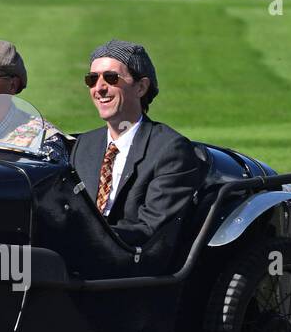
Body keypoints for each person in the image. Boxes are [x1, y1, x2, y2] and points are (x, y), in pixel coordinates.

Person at [73, 39, 208, 248]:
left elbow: (150, 230)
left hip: (132, 262)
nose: (99, 88)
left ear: (141, 87)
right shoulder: (84, 145)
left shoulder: (170, 150)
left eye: (111, 78)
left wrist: (82, 238)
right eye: (92, 79)